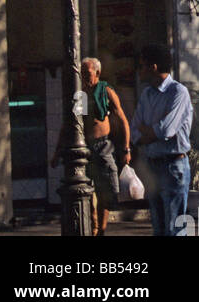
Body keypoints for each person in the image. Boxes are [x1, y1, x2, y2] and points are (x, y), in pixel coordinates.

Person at [50, 56, 131, 236]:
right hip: (84, 150)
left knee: (106, 190)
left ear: (97, 73)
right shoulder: (81, 96)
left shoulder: (106, 91)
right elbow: (68, 125)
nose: (85, 77)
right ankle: (93, 226)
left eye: (88, 73)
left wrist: (126, 148)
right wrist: (57, 153)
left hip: (103, 146)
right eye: (83, 74)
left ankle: (100, 229)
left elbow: (123, 120)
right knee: (86, 191)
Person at [130, 44, 194, 237]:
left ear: (154, 67)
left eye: (142, 66)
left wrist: (150, 132)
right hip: (152, 165)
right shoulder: (147, 94)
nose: (139, 71)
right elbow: (135, 130)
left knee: (174, 228)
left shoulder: (178, 92)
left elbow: (166, 129)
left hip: (173, 166)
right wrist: (151, 132)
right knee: (158, 228)